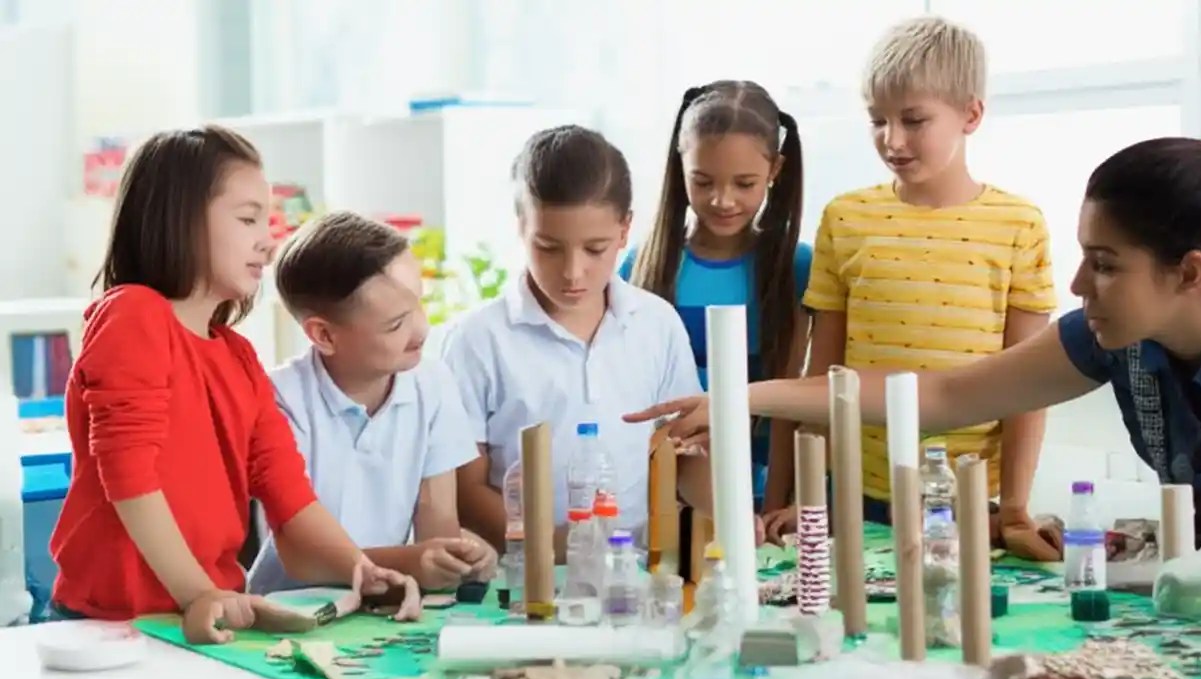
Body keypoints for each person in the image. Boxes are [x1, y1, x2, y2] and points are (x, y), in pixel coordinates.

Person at [626, 132, 1201, 550]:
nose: (1080, 283)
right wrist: (742, 397)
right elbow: (943, 393)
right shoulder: (1114, 339)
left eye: (1106, 265)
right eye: (1084, 256)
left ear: (1190, 272)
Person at [48, 126, 418, 644]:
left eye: (266, 221)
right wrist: (198, 594)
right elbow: (128, 473)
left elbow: (288, 492)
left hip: (205, 615)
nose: (267, 242)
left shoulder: (238, 356)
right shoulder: (134, 314)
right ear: (177, 219)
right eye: (247, 219)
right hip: (111, 622)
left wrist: (359, 568)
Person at [766, 16, 1057, 558]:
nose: (892, 140)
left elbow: (1030, 383)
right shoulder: (846, 218)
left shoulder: (1020, 225)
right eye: (877, 120)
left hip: (973, 502)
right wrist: (804, 497)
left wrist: (1015, 508)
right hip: (855, 496)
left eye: (914, 119)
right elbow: (824, 374)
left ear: (971, 114)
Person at [441, 125, 715, 556]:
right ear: (521, 228)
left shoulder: (655, 324)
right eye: (548, 247)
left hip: (635, 569)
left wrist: (729, 511)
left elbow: (682, 455)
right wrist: (548, 547)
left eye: (595, 249)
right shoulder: (476, 340)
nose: (572, 272)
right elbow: (463, 487)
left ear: (625, 231)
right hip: (520, 578)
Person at [247, 210, 498, 596]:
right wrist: (412, 561)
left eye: (419, 304)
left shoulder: (432, 384)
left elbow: (439, 523)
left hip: (389, 604)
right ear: (324, 335)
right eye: (396, 323)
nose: (422, 329)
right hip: (291, 608)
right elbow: (302, 556)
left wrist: (461, 556)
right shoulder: (281, 400)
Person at [620, 80, 811, 515]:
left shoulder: (795, 269)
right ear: (680, 164)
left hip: (761, 491)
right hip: (664, 494)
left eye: (745, 183)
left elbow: (792, 396)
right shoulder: (641, 266)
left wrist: (778, 501)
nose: (723, 200)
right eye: (702, 182)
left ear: (775, 170)